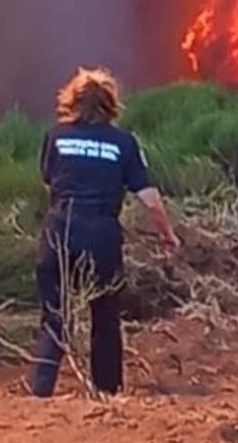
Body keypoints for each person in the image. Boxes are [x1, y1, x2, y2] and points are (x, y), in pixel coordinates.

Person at [30, 68, 180, 399]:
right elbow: (150, 199)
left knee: (54, 316)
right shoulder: (123, 143)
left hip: (59, 230)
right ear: (111, 104)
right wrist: (167, 235)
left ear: (72, 100)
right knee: (106, 317)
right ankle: (107, 394)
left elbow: (48, 182)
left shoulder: (56, 136)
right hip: (101, 235)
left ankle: (40, 394)